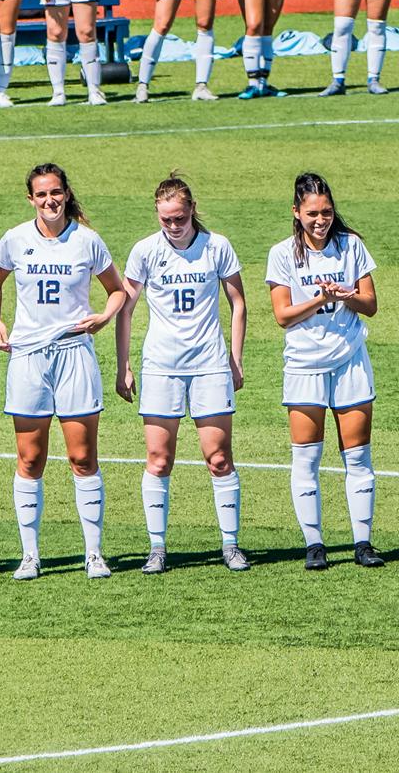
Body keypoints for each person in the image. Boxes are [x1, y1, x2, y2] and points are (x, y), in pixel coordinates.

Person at [0, 163, 128, 579]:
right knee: (30, 458)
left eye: (56, 192)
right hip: (28, 357)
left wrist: (103, 317)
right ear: (30, 198)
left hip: (74, 352)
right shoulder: (15, 239)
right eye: (42, 194)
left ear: (66, 193)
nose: (50, 200)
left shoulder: (87, 240)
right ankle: (30, 555)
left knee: (82, 457)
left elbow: (117, 291)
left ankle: (94, 553)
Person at [114, 173, 250, 573]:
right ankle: (157, 548)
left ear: (192, 209)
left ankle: (230, 545)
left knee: (219, 458)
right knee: (158, 460)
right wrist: (124, 365)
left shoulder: (217, 247)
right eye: (166, 219)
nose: (174, 226)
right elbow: (125, 308)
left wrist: (235, 359)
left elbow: (238, 303)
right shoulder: (145, 251)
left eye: (180, 218)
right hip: (161, 367)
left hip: (209, 365)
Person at [265, 173, 382, 570]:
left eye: (327, 212)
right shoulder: (282, 254)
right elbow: (283, 315)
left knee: (358, 456)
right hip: (304, 364)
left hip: (350, 361)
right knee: (307, 458)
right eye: (313, 213)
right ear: (296, 212)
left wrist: (348, 296)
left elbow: (370, 304)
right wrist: (320, 298)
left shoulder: (351, 246)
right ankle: (314, 545)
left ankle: (363, 543)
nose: (321, 220)